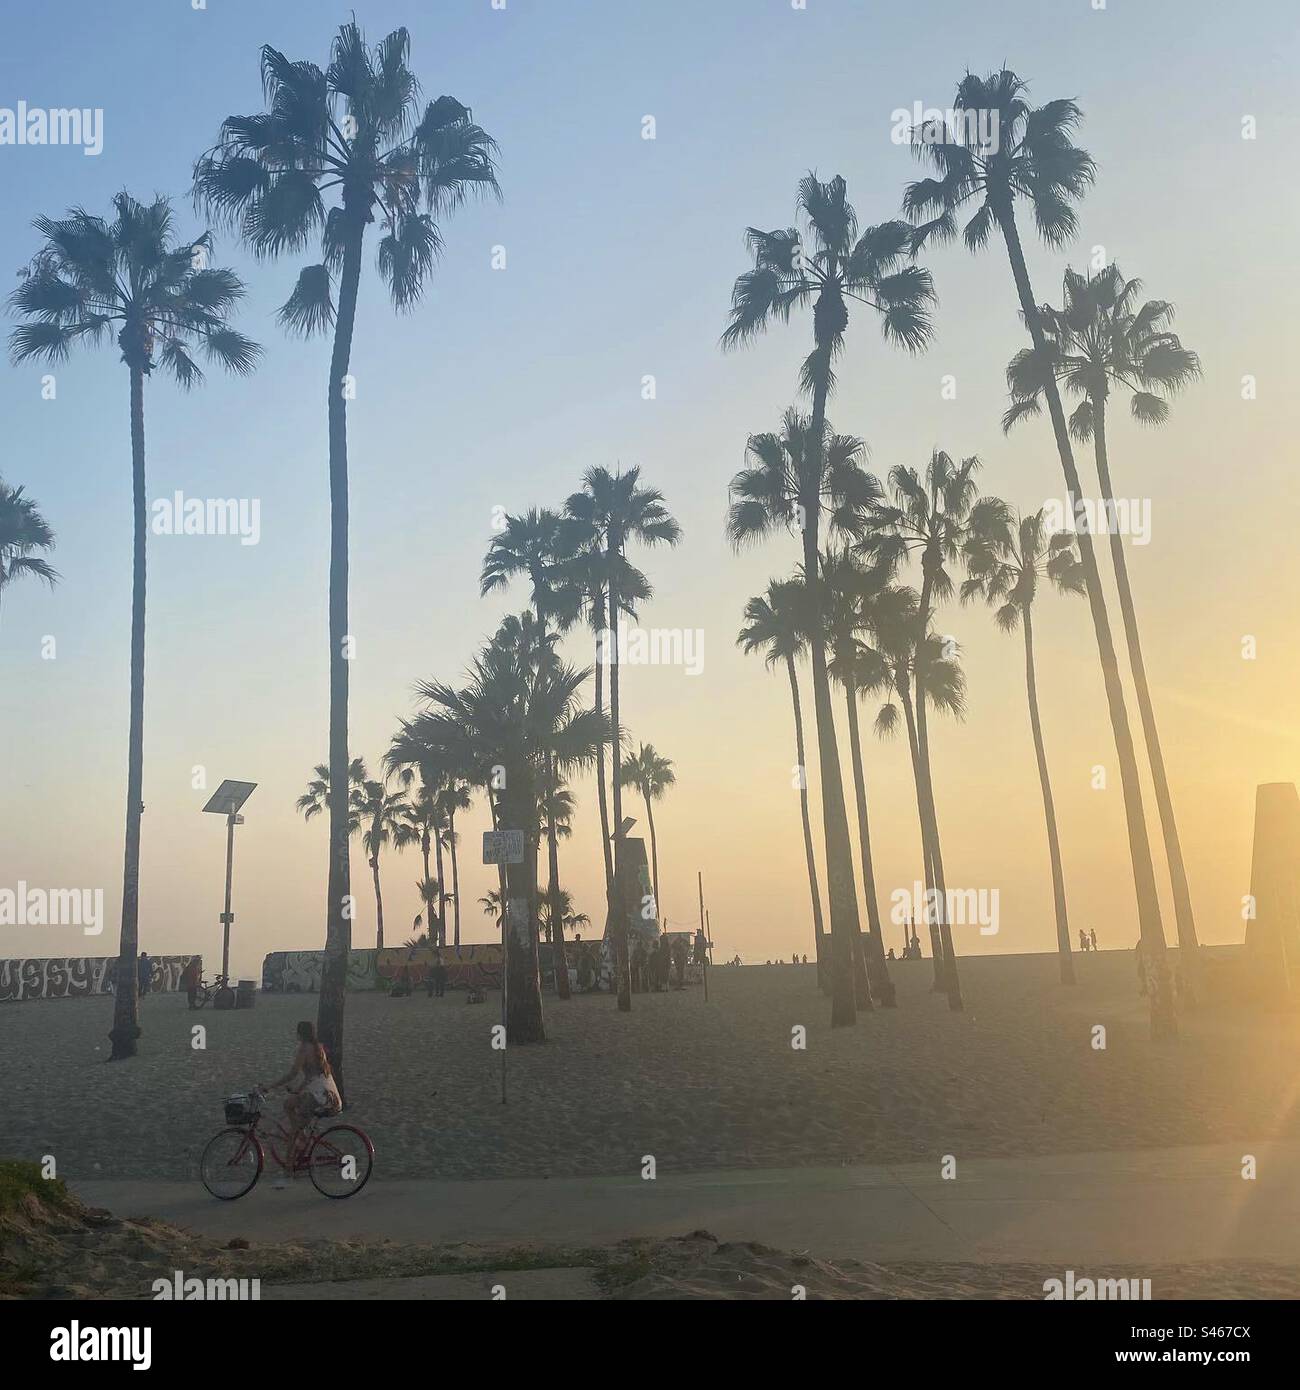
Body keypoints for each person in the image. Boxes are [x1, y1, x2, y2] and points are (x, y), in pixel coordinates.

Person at [264, 1021, 342, 1188]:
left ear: (300, 1034)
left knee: (292, 1134)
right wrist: (298, 1091)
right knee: (288, 1104)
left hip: (318, 1096)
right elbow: (311, 1076)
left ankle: (288, 1174)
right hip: (326, 1093)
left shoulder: (304, 1049)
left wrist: (270, 1087)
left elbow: (293, 1073)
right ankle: (301, 1135)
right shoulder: (318, 1047)